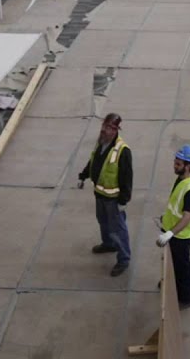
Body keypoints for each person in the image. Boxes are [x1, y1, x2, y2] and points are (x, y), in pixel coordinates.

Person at [77, 113, 133, 276]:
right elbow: (94, 161)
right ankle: (108, 244)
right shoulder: (101, 142)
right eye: (104, 126)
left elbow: (127, 177)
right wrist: (83, 175)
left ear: (116, 130)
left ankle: (124, 259)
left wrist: (124, 200)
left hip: (113, 199)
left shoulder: (122, 150)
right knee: (103, 221)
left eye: (109, 127)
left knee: (117, 228)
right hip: (100, 194)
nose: (105, 130)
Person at [156, 144, 190, 310]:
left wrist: (170, 233)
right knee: (173, 261)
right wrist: (166, 219)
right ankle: (169, 283)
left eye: (178, 164)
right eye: (175, 162)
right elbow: (176, 205)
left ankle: (185, 298)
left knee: (182, 266)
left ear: (188, 166)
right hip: (174, 230)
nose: (174, 166)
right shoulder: (181, 178)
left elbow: (187, 217)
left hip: (182, 235)